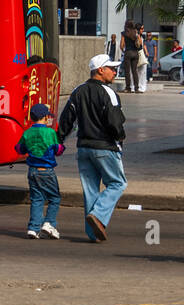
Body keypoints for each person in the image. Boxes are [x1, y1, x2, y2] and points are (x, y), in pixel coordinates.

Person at [57, 54, 127, 242]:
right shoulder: (109, 93)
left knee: (90, 190)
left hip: (84, 148)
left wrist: (59, 139)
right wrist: (120, 136)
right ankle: (98, 216)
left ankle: (92, 233)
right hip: (105, 147)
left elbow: (66, 120)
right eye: (111, 68)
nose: (115, 72)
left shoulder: (77, 91)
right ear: (100, 70)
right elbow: (115, 122)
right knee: (118, 183)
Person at [15, 103, 65, 239]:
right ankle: (49, 223)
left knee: (37, 199)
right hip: (47, 170)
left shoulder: (27, 132)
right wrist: (61, 145)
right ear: (44, 117)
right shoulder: (50, 132)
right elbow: (59, 150)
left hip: (32, 170)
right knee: (54, 198)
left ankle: (33, 227)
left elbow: (19, 149)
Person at [118, 20, 142, 92]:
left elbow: (121, 45)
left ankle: (128, 88)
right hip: (135, 53)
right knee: (134, 71)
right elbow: (140, 43)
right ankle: (136, 88)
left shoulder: (124, 33)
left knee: (127, 71)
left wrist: (124, 50)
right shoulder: (135, 32)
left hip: (128, 53)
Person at [135, 23, 150, 91]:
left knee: (143, 71)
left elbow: (143, 45)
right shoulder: (136, 36)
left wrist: (146, 52)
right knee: (138, 71)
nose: (143, 30)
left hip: (142, 54)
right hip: (137, 54)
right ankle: (139, 86)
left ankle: (142, 86)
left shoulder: (142, 36)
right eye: (141, 28)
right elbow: (139, 44)